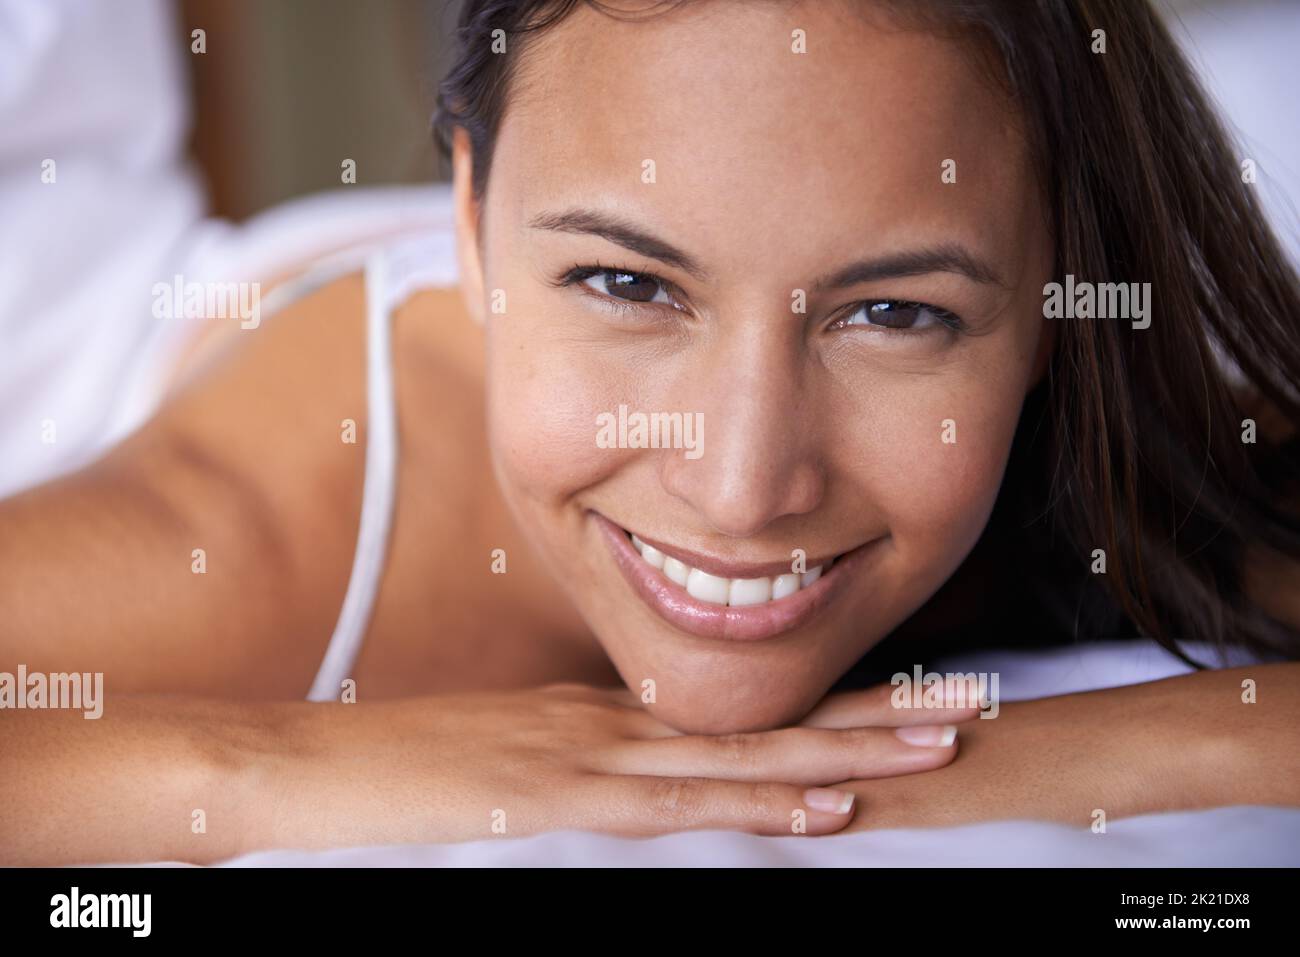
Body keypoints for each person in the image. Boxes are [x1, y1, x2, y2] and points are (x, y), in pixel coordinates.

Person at [2, 0, 1297, 866]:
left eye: (894, 313)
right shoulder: (258, 543)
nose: (742, 485)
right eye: (629, 285)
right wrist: (275, 760)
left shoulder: (1106, 414)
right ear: (467, 221)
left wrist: (1078, 747)